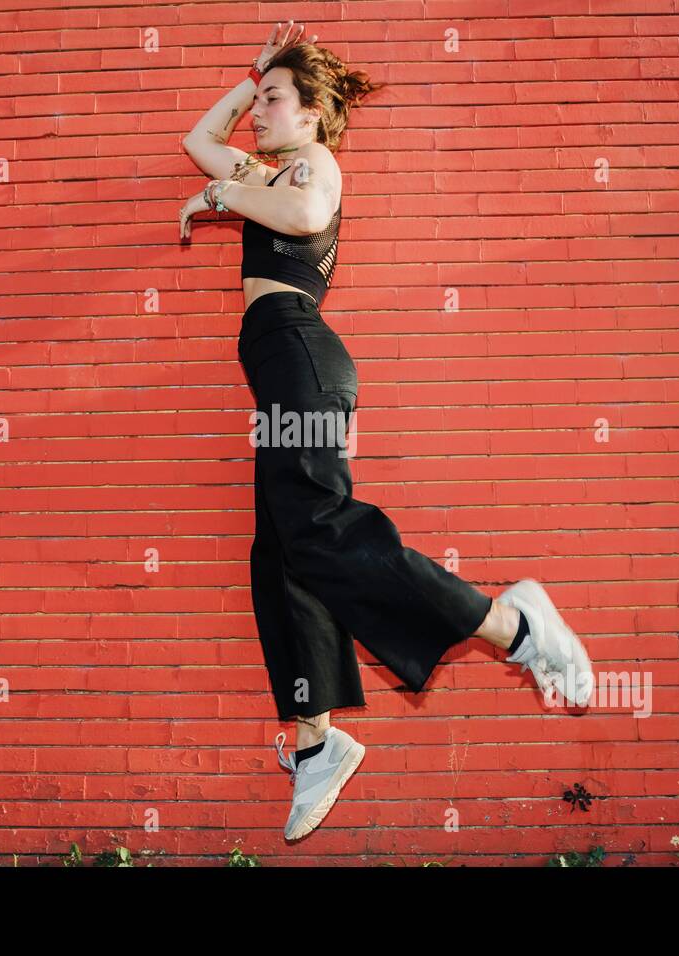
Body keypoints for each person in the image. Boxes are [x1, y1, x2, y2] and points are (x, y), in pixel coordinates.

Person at [180, 20, 594, 841]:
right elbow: (198, 140)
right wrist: (254, 71)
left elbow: (301, 214)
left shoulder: (312, 167)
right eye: (258, 102)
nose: (255, 114)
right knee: (284, 554)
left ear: (312, 116)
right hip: (277, 364)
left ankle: (513, 624)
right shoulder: (263, 169)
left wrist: (227, 194)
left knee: (324, 532)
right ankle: (315, 744)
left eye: (272, 101)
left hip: (301, 354)